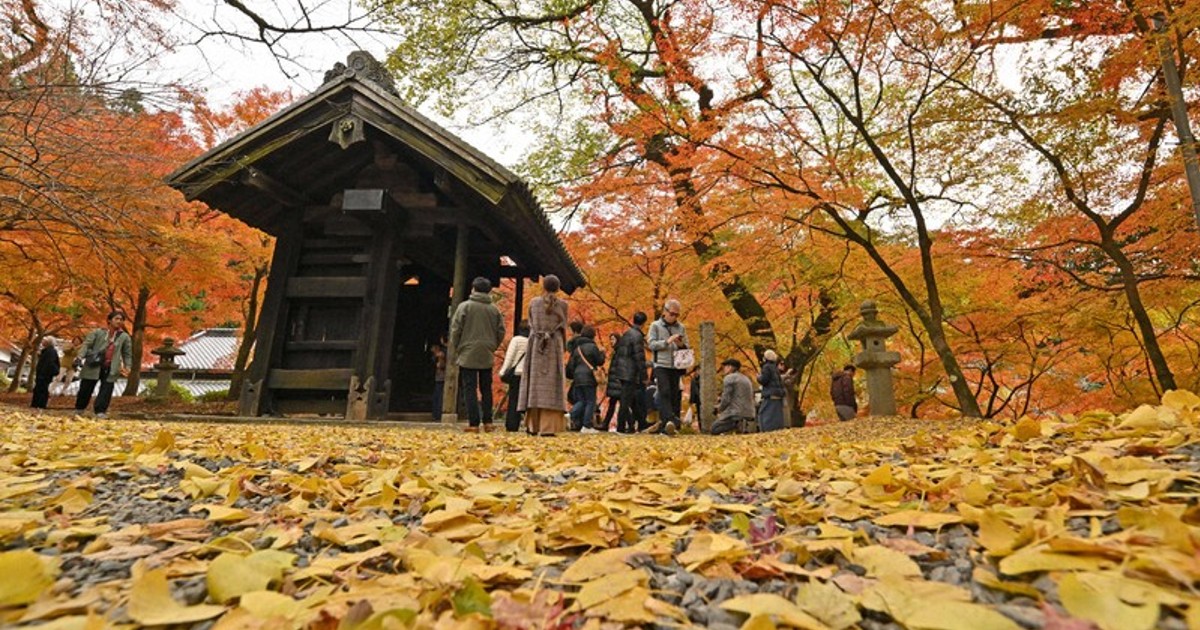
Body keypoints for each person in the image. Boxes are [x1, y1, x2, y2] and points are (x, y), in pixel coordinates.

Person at [449, 277, 505, 432]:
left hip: (467, 350)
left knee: (469, 387)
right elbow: (501, 331)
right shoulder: (494, 310)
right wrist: (493, 346)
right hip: (486, 351)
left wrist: (458, 346)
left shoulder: (464, 307)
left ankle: (473, 423)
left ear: (473, 289)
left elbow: (455, 329)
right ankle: (488, 421)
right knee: (486, 387)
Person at [518, 275, 570, 436]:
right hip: (554, 344)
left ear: (544, 286)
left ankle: (533, 425)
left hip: (536, 344)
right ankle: (549, 426)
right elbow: (563, 327)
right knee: (552, 384)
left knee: (535, 383)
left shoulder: (534, 303)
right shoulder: (563, 305)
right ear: (558, 287)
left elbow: (531, 322)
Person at [75, 311, 133, 418]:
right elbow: (87, 345)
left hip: (111, 366)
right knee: (86, 387)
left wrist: (127, 366)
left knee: (106, 389)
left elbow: (127, 353)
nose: (119, 321)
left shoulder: (124, 337)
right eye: (116, 319)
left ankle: (100, 411)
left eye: (121, 319)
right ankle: (79, 409)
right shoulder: (98, 333)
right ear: (109, 320)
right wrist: (80, 356)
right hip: (94, 364)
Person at [646, 298, 689, 435]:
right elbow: (651, 344)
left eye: (677, 315)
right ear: (665, 312)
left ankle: (668, 426)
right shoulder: (655, 326)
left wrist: (680, 344)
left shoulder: (681, 327)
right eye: (672, 314)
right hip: (661, 364)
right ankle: (671, 420)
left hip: (676, 365)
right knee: (664, 391)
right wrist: (666, 342)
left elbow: (686, 346)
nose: (674, 317)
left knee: (674, 394)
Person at [611, 312, 648, 433]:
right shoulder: (637, 336)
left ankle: (642, 424)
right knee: (626, 401)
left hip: (622, 370)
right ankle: (620, 427)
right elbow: (639, 357)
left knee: (632, 400)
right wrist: (644, 375)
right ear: (643, 323)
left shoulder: (627, 334)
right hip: (630, 372)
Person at [566, 325, 605, 431]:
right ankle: (586, 426)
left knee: (582, 401)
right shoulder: (592, 347)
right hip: (589, 377)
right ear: (592, 336)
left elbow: (571, 365)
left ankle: (570, 415)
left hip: (577, 378)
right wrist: (602, 352)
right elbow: (600, 361)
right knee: (590, 401)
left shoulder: (577, 348)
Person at [499, 321, 530, 432]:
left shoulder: (516, 340)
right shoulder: (533, 341)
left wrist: (503, 371)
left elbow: (510, 357)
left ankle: (512, 424)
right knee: (528, 400)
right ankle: (530, 424)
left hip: (517, 373)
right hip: (529, 374)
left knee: (514, 399)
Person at [711, 358, 756, 434]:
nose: (724, 369)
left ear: (730, 367)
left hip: (736, 412)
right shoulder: (746, 378)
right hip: (749, 412)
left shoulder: (729, 378)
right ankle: (741, 426)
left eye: (725, 367)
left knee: (715, 428)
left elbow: (726, 399)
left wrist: (719, 409)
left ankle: (737, 425)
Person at [757, 350, 792, 432]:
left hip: (770, 394)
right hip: (778, 394)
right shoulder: (775, 368)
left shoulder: (766, 367)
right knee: (776, 415)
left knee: (763, 413)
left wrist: (758, 377)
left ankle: (767, 430)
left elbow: (764, 380)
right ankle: (777, 430)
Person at [598, 332, 623, 430]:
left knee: (620, 404)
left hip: (617, 382)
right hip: (615, 382)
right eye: (610, 339)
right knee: (613, 404)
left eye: (613, 339)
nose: (611, 342)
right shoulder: (616, 352)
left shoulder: (619, 352)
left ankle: (606, 424)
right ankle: (605, 424)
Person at [30, 338, 60, 409]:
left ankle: (40, 404)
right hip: (43, 373)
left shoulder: (50, 352)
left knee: (42, 389)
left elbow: (48, 364)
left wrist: (43, 373)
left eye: (44, 341)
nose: (42, 342)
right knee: (39, 388)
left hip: (44, 374)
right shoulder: (47, 351)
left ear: (48, 343)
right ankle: (36, 404)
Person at [430, 343, 446, 421]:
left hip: (441, 378)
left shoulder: (442, 354)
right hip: (438, 378)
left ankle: (438, 415)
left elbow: (441, 366)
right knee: (436, 396)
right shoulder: (436, 356)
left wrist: (440, 359)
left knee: (439, 397)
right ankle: (435, 414)